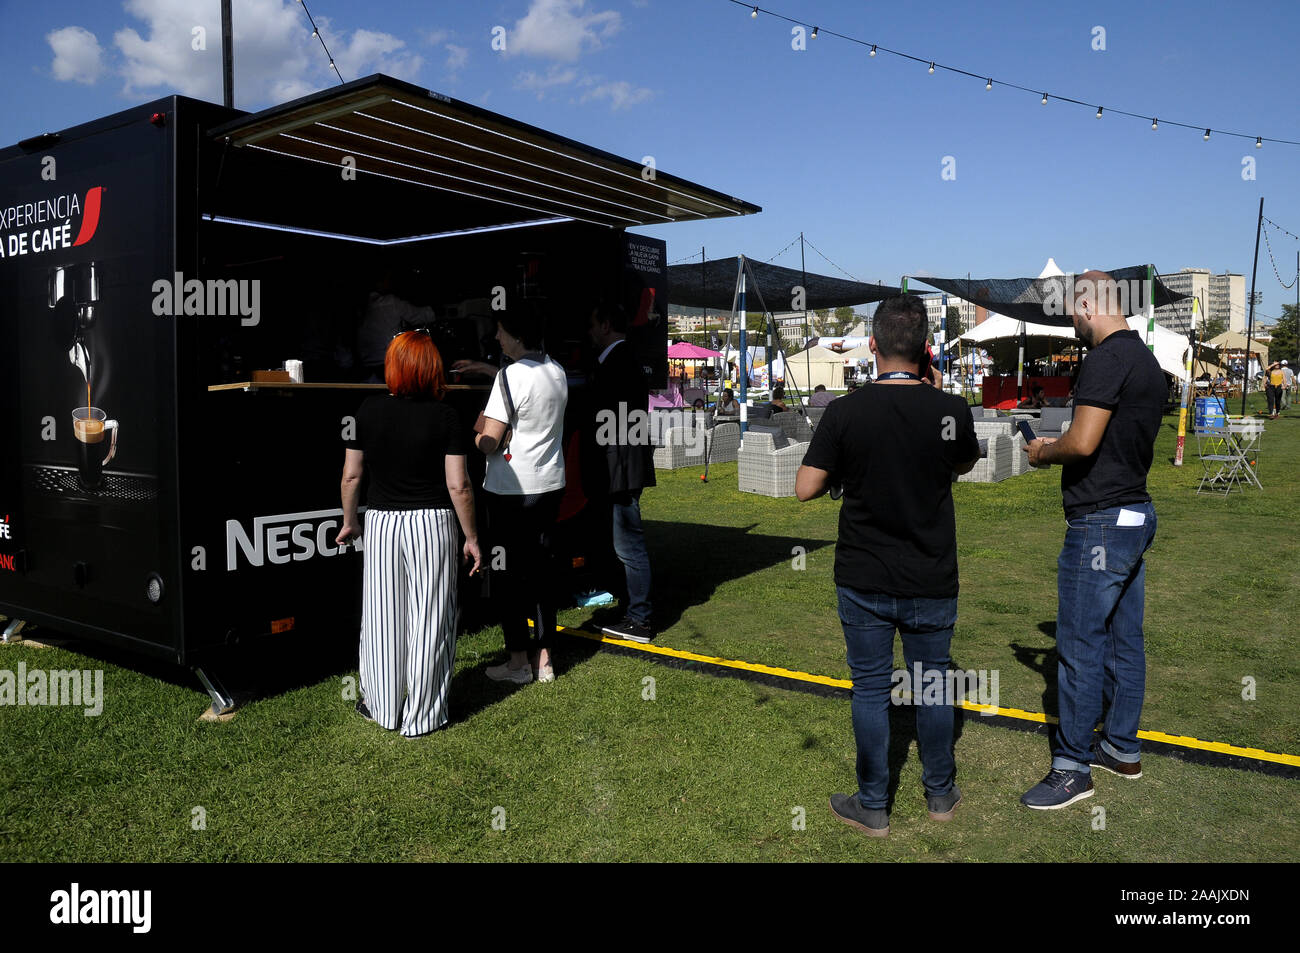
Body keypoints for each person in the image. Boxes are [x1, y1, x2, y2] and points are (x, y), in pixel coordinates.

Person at [795, 295, 981, 837]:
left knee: (871, 689)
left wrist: (844, 473)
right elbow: (963, 461)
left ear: (872, 345)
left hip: (864, 576)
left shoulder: (845, 411)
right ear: (925, 349)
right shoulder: (949, 410)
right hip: (930, 574)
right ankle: (940, 792)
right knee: (932, 685)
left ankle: (873, 802)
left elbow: (806, 488)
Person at [1020, 271, 1164, 810]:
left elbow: (1082, 443)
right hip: (1135, 511)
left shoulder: (1104, 359)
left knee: (1080, 644)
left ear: (1086, 303)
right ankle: (1121, 747)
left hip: (1101, 520)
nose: (1070, 323)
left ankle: (1072, 767)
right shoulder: (1146, 360)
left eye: (1070, 311)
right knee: (1124, 639)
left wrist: (1044, 452)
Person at [338, 330, 482, 737]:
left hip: (382, 522)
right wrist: (471, 537)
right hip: (432, 523)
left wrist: (350, 521)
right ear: (431, 368)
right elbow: (459, 486)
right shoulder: (447, 415)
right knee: (430, 618)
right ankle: (423, 716)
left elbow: (351, 476)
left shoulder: (366, 409)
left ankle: (382, 709)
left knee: (383, 619)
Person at [454, 311, 569, 684]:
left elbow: (489, 440)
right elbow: (524, 388)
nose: (497, 339)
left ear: (516, 336)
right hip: (551, 483)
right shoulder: (556, 370)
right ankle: (545, 660)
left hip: (510, 489)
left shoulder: (510, 376)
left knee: (508, 574)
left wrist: (470, 437)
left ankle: (518, 661)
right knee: (542, 571)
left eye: (501, 332)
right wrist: (490, 372)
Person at [586, 302, 656, 643]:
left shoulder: (617, 362)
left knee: (630, 545)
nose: (588, 331)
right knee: (624, 544)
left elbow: (610, 420)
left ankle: (639, 619)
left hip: (621, 467)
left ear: (604, 325)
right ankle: (631, 610)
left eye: (592, 324)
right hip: (623, 464)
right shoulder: (623, 359)